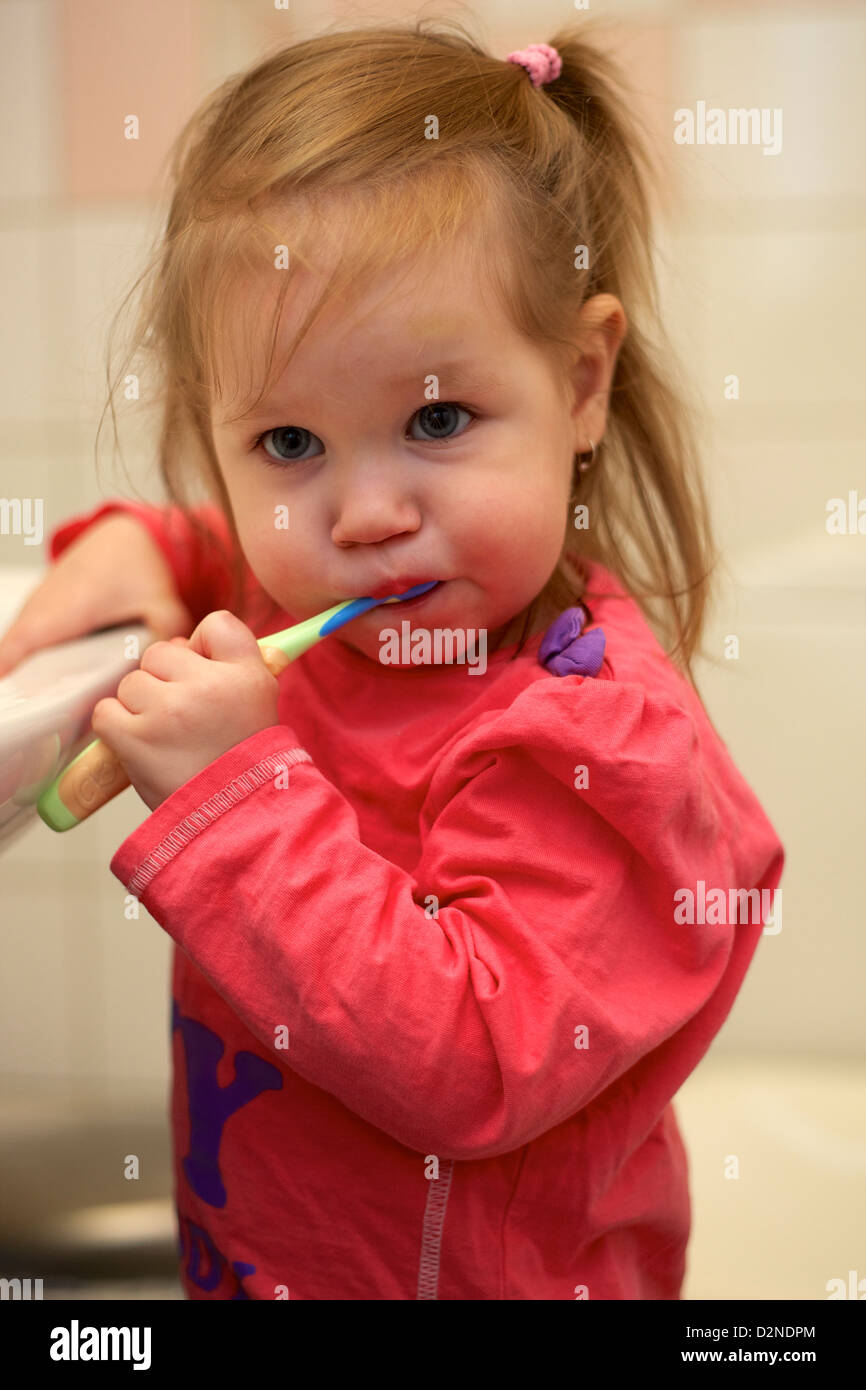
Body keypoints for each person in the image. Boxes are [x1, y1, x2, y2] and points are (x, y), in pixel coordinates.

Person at [0, 22, 784, 1299]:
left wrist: (237, 801)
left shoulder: (596, 747)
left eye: (435, 419)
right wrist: (136, 548)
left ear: (581, 382)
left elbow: (472, 1061)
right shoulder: (323, 595)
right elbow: (228, 561)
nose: (362, 516)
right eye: (289, 443)